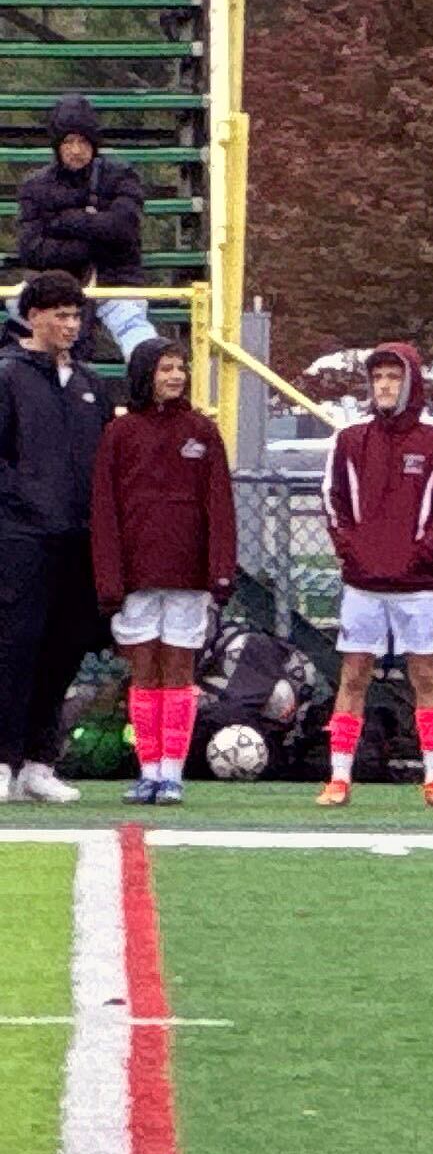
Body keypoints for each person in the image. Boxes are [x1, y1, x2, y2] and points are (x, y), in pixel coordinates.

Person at [318, 342, 433, 807]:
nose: (384, 385)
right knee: (353, 674)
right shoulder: (349, 438)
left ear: (411, 383)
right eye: (378, 378)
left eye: (394, 377)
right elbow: (332, 498)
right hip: (362, 582)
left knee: (425, 674)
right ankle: (339, 777)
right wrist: (352, 551)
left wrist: (426, 551)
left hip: (417, 584)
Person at [90, 338, 233, 804]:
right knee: (144, 671)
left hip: (188, 576)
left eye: (181, 368)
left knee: (179, 669)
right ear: (145, 374)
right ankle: (148, 769)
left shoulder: (203, 432)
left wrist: (220, 571)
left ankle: (172, 772)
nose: (175, 376)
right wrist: (109, 577)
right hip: (137, 576)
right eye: (166, 368)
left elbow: (220, 507)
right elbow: (105, 511)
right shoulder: (120, 433)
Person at [0, 272, 110, 804]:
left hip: (78, 540)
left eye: (75, 315)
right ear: (33, 315)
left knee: (64, 650)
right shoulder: (7, 375)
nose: (70, 325)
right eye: (60, 315)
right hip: (20, 538)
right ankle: (2, 759)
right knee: (13, 649)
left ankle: (38, 762)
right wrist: (21, 505)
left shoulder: (90, 384)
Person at [13, 95, 156, 361]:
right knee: (16, 306)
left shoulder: (122, 175)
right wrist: (93, 242)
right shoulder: (36, 185)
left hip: (116, 281)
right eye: (68, 142)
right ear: (57, 146)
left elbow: (124, 231)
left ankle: (154, 395)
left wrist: (67, 222)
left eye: (83, 141)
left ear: (94, 144)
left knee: (140, 339)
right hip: (56, 287)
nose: (76, 150)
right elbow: (31, 249)